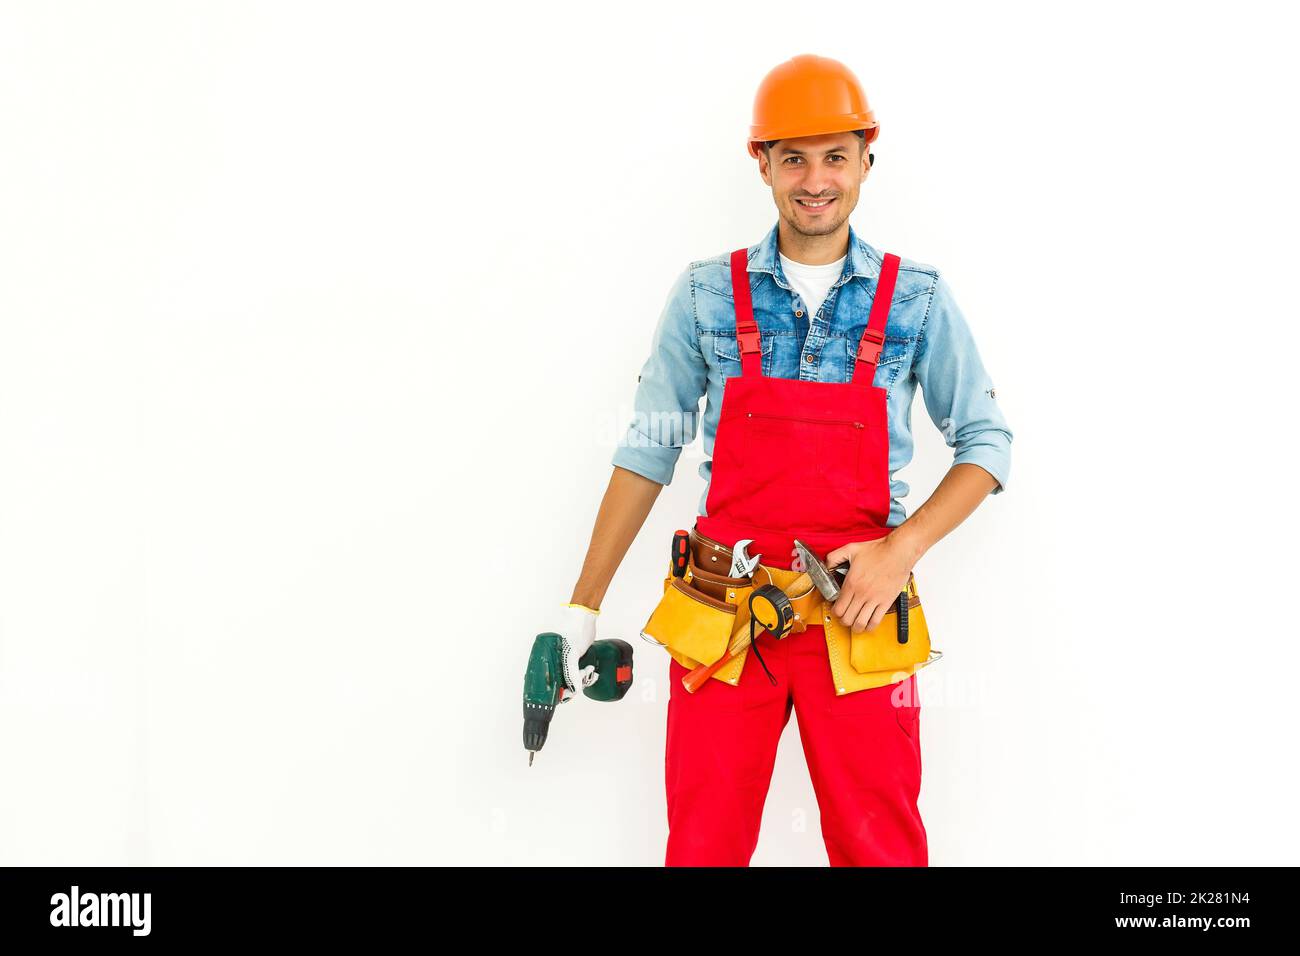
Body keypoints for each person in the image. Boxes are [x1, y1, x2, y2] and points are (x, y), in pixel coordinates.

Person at [555, 53, 1012, 866]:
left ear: (867, 159)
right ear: (760, 162)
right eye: (793, 156)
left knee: (883, 849)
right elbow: (647, 449)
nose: (815, 179)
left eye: (835, 155)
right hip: (723, 616)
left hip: (860, 616)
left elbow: (986, 443)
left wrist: (897, 553)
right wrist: (581, 607)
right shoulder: (704, 295)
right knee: (703, 846)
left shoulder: (917, 299)